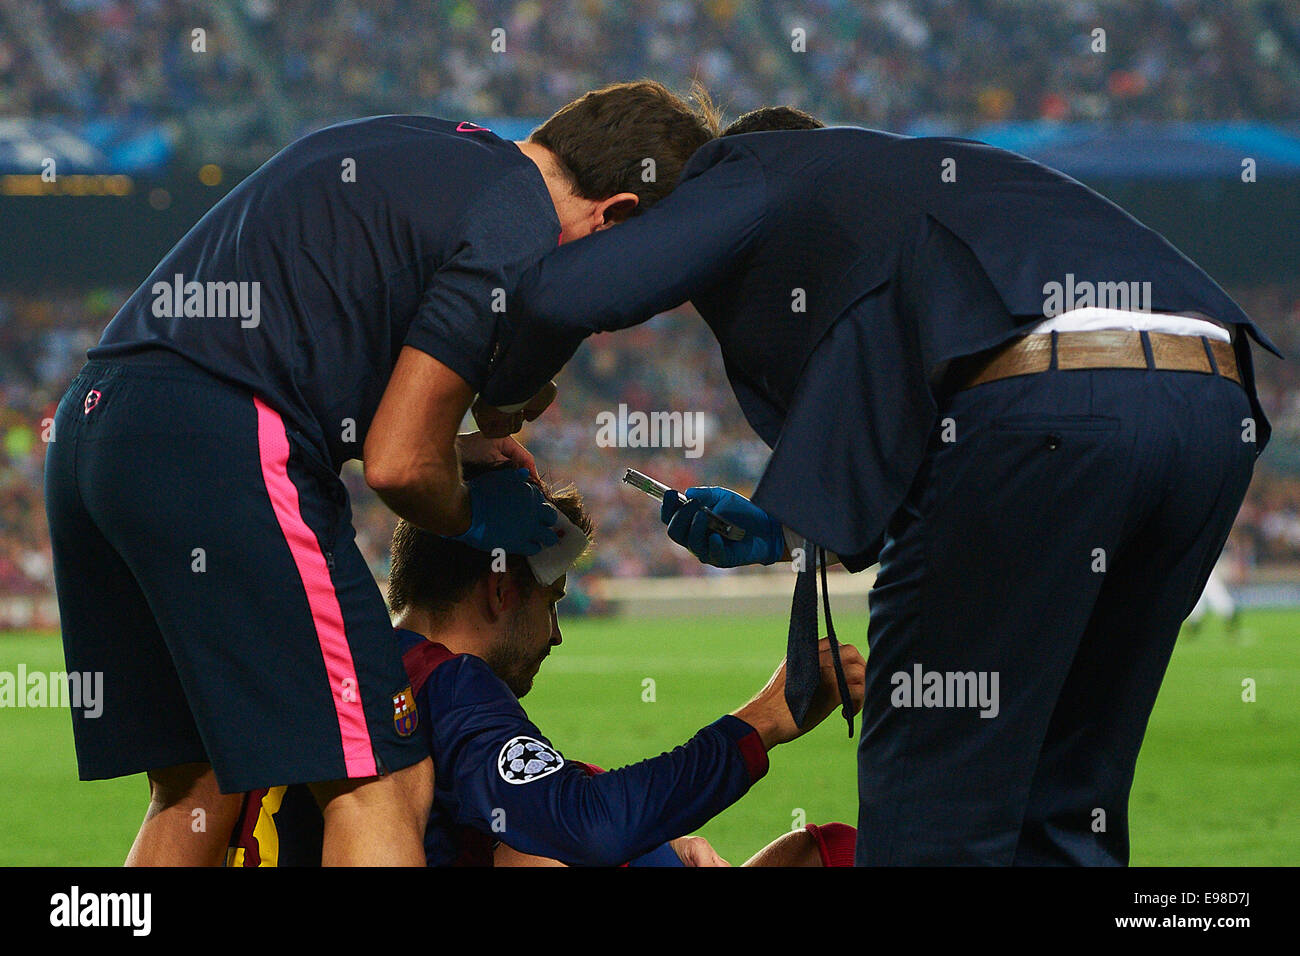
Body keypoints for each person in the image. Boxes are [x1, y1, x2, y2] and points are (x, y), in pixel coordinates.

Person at [474, 106, 1281, 865]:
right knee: (1067, 804)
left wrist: (497, 402)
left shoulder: (747, 165)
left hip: (1049, 401)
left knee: (933, 805)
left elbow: (585, 288)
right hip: (1211, 401)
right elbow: (899, 388)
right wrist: (783, 527)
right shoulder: (922, 191)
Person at [44, 82, 719, 865]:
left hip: (98, 423)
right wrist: (473, 516)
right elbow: (400, 468)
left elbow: (319, 355)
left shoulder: (431, 148)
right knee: (381, 781)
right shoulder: (516, 224)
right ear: (620, 214)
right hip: (222, 436)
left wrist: (449, 444)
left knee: (195, 790)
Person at [226, 465, 864, 866]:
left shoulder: (354, 665)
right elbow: (583, 827)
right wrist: (765, 719)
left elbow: (537, 799)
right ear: (501, 592)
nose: (556, 635)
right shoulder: (447, 682)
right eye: (552, 604)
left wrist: (655, 840)